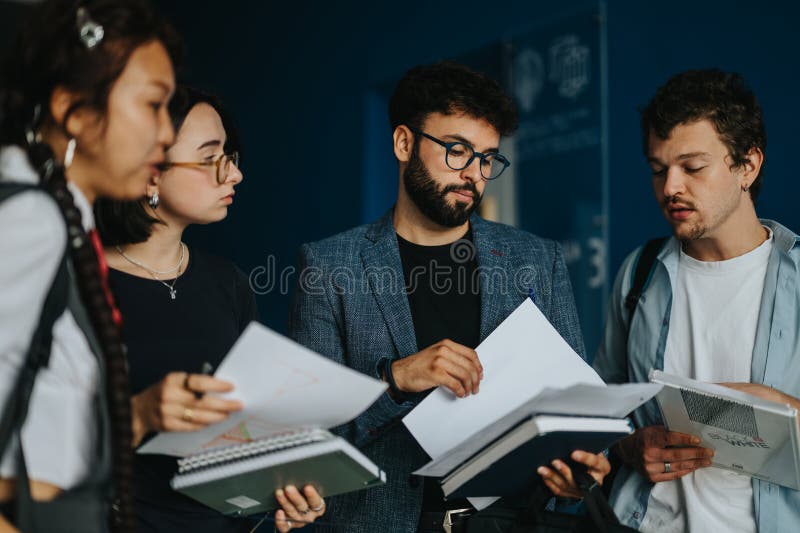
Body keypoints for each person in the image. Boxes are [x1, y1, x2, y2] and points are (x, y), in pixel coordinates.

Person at [288, 61, 610, 533]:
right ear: (403, 143)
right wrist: (396, 378)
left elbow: (574, 410)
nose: (473, 174)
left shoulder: (536, 259)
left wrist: (582, 470)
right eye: (457, 151)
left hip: (512, 523)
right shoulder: (330, 265)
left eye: (487, 158)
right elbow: (308, 434)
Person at [94, 86, 325, 533]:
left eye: (230, 156)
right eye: (209, 158)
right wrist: (137, 414)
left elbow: (244, 427)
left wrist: (283, 487)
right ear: (150, 174)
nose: (233, 174)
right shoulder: (81, 283)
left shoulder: (229, 282)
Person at [593, 68, 800, 533]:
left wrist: (782, 411)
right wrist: (630, 446)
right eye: (658, 169)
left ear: (748, 165)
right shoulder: (638, 272)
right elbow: (604, 405)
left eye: (692, 167)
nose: (670, 188)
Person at [0, 1, 180, 531]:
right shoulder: (31, 220)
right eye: (153, 105)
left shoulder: (61, 219)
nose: (167, 133)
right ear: (74, 109)